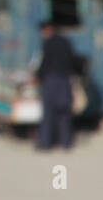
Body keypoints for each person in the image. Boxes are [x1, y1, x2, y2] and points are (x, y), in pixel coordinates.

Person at [34, 20, 79, 151]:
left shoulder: (48, 43)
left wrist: (38, 76)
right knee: (64, 111)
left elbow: (44, 63)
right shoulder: (66, 42)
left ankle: (45, 143)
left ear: (48, 29)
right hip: (65, 80)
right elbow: (73, 61)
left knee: (48, 112)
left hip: (51, 81)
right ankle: (65, 142)